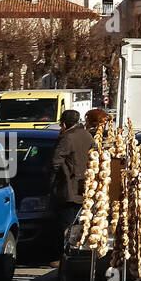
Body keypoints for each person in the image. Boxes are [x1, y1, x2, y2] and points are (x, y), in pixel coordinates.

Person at [50, 109, 95, 266]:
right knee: (80, 222)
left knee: (66, 224)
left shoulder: (67, 138)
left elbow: (55, 161)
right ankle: (77, 254)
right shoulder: (87, 136)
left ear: (63, 124)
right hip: (86, 186)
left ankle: (65, 257)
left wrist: (54, 179)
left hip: (69, 187)